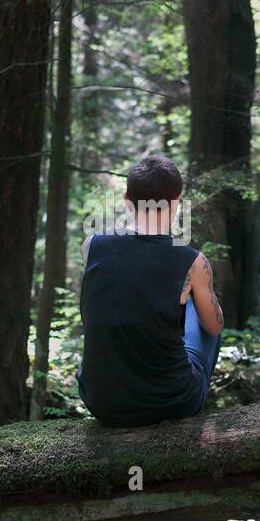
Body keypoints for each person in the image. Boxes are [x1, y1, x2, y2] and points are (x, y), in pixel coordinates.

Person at [77, 155, 224, 427]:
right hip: (173, 401)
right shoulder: (192, 261)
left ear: (126, 199)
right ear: (177, 202)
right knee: (199, 305)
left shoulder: (91, 246)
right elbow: (213, 328)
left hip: (101, 402)